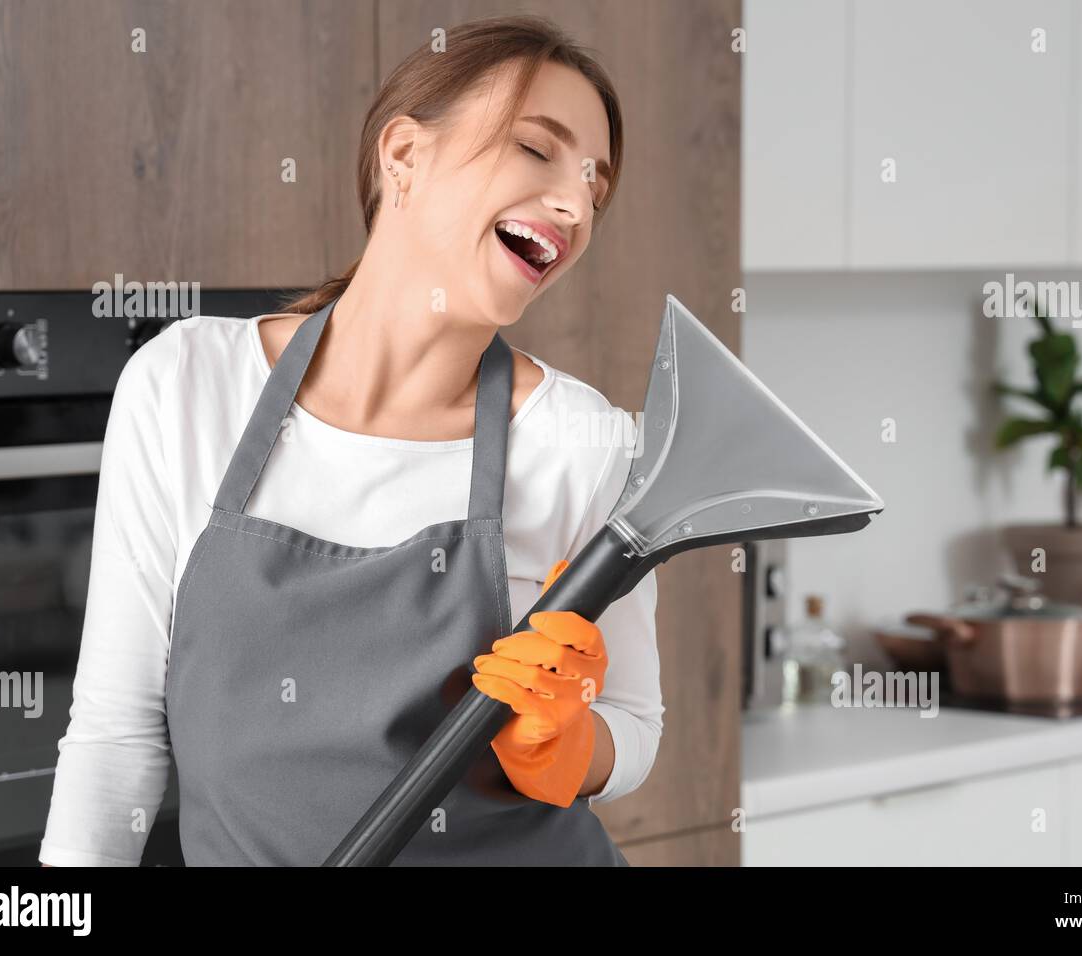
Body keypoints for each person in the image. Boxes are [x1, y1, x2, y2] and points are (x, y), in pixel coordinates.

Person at [40, 14, 662, 867]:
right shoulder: (185, 383)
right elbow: (116, 735)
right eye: (536, 149)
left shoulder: (580, 440)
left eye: (595, 184)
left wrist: (571, 745)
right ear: (403, 156)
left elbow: (635, 726)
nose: (574, 204)